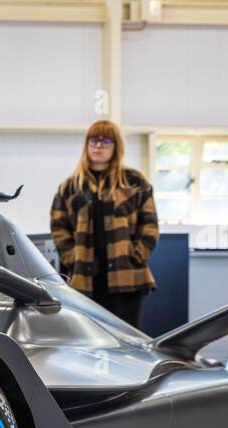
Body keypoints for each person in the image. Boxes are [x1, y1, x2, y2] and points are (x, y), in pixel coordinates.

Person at [50, 120, 158, 329]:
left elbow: (150, 225)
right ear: (87, 145)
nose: (98, 146)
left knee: (128, 342)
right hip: (85, 281)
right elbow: (59, 228)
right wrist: (72, 258)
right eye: (94, 140)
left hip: (127, 279)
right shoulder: (70, 187)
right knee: (90, 342)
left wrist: (136, 255)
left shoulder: (134, 182)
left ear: (116, 146)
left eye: (106, 141)